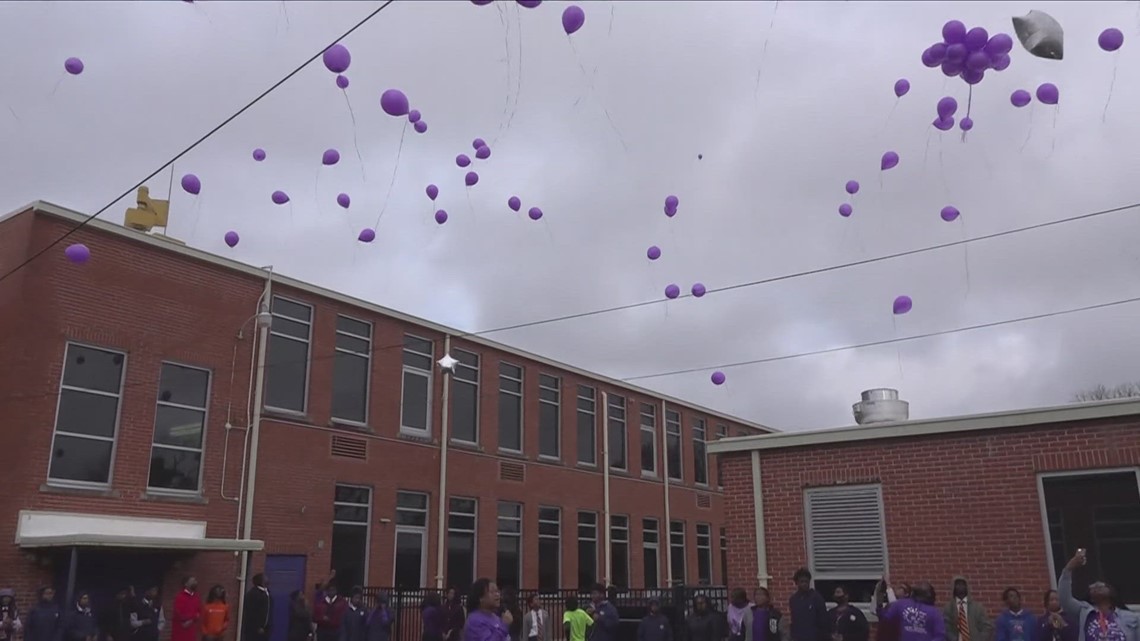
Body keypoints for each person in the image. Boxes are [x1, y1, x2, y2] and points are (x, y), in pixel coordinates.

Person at [1058, 550, 1139, 641]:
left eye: (1101, 585)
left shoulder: (1132, 618)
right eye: (1094, 587)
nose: (1097, 586)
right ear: (1091, 597)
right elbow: (1064, 599)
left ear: (1111, 592)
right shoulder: (1084, 612)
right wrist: (1069, 568)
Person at [877, 582, 945, 641]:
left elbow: (885, 618)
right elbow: (940, 635)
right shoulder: (935, 612)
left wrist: (879, 602)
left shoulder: (900, 604)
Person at [789, 569, 829, 641]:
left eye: (806, 581)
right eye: (802, 581)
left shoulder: (816, 597)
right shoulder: (793, 599)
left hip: (814, 637)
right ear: (796, 583)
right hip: (798, 637)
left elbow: (823, 620)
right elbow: (794, 620)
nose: (804, 584)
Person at [244, 575, 272, 641]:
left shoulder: (267, 593)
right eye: (265, 578)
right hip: (255, 629)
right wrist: (258, 626)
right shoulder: (253, 594)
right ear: (261, 581)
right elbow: (251, 612)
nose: (268, 580)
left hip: (265, 628)